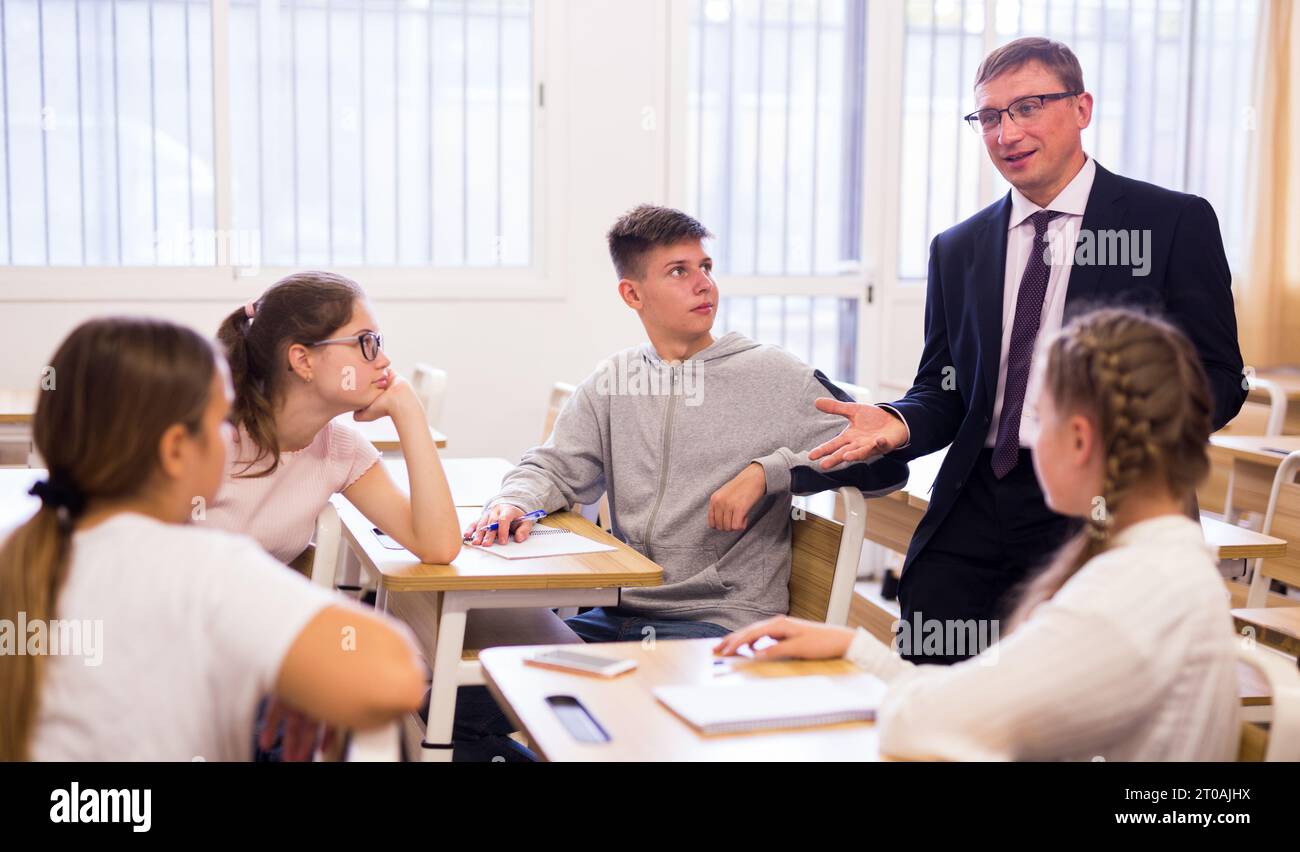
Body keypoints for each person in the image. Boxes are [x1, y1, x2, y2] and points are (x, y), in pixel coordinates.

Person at [808, 38, 1246, 662]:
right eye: (988, 116)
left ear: (1082, 108)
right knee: (938, 693)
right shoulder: (958, 248)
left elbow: (1220, 377)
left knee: (1077, 708)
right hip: (978, 499)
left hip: (1102, 500)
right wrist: (898, 422)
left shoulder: (1170, 222)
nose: (1006, 131)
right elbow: (948, 390)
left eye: (1029, 106)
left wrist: (1121, 431)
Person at [719, 308, 1240, 761]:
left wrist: (862, 661)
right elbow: (981, 696)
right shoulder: (1158, 559)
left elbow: (928, 723)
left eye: (1037, 417)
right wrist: (855, 648)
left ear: (1079, 438)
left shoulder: (1126, 593)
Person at [0, 318, 425, 762]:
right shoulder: (207, 568)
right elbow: (398, 674)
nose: (234, 433)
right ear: (177, 449)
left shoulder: (17, 549)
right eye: (223, 419)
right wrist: (300, 673)